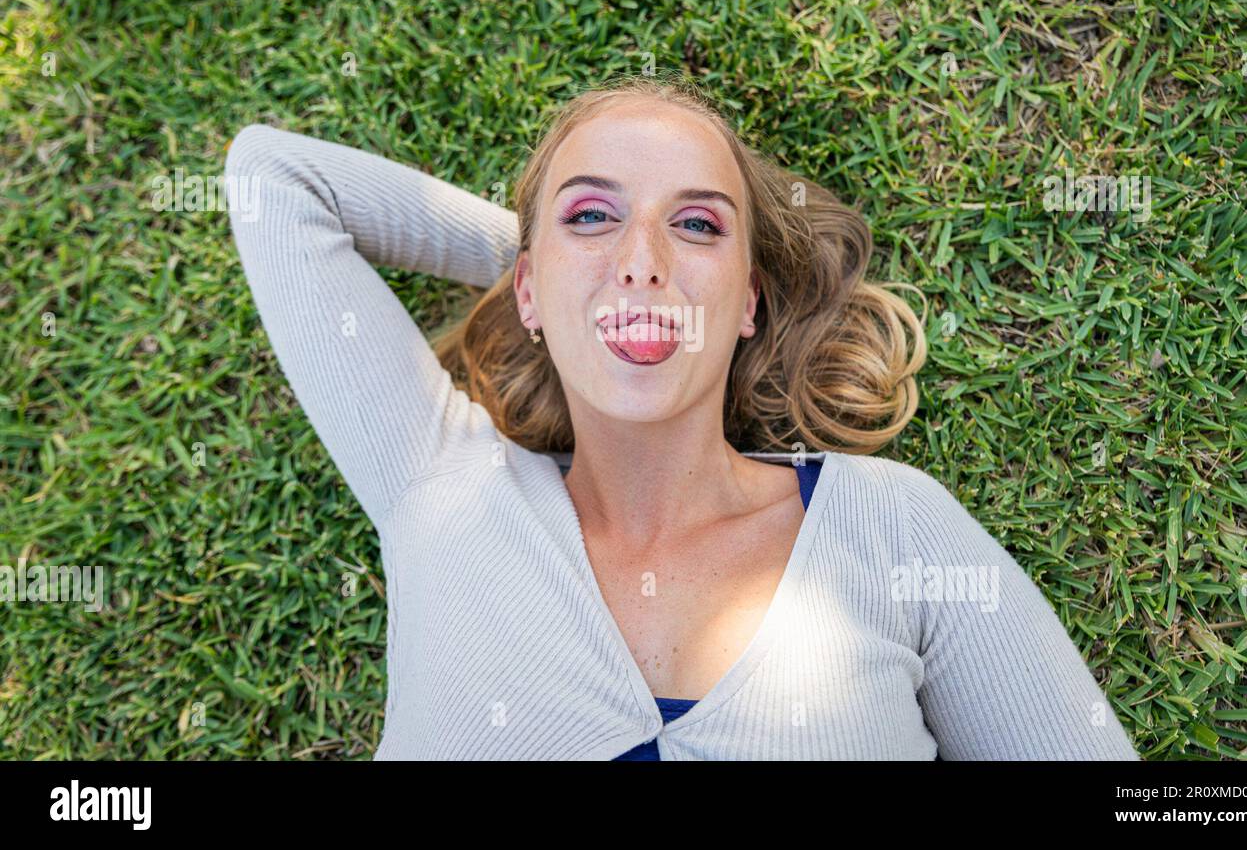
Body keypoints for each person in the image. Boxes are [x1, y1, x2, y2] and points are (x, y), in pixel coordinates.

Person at [223, 73, 1139, 760]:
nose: (644, 258)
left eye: (698, 226)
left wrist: (577, 265)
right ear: (525, 290)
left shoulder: (892, 526)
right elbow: (275, 178)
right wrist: (558, 269)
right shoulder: (440, 482)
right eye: (593, 215)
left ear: (748, 302)